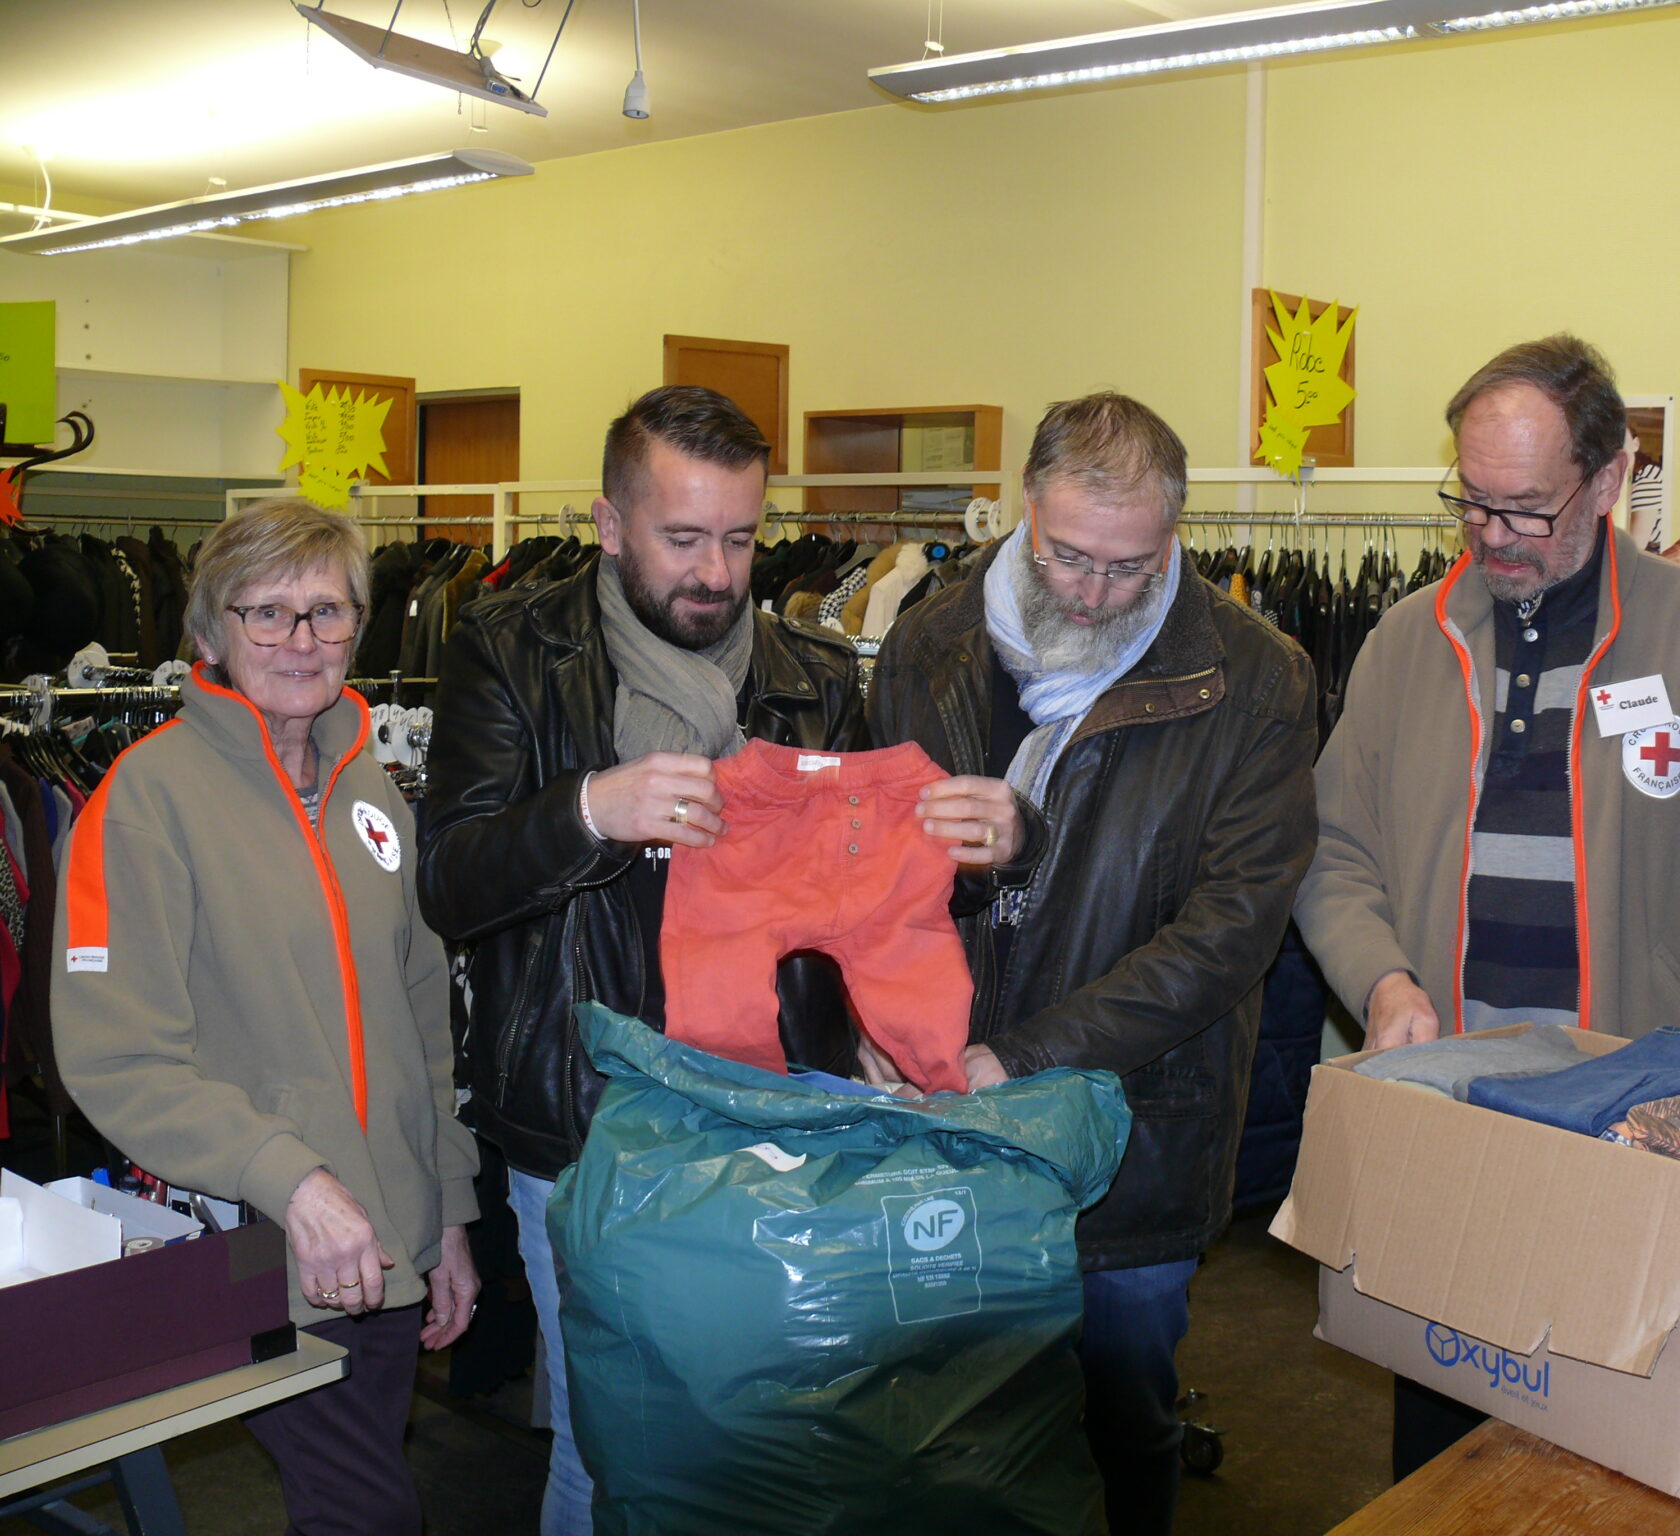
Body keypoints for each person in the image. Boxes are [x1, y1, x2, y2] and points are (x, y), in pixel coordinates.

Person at [415, 384, 1021, 1534]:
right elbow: (448, 881)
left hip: (769, 1125)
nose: (714, 572)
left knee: (765, 1440)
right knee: (610, 1450)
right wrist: (589, 810)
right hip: (583, 1125)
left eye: (738, 540)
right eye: (681, 537)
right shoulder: (508, 651)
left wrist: (994, 853)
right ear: (606, 524)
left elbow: (870, 903)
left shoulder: (816, 676)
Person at [1293, 334, 1680, 1477]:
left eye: (1525, 509)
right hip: (1454, 1122)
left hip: (1641, 1137)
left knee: (1617, 1460)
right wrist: (1381, 983)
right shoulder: (1400, 642)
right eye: (1469, 503)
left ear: (1612, 475)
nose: (1490, 538)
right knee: (1441, 1456)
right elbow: (1331, 851)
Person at [866, 391, 1319, 1536]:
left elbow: (1232, 927)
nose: (1092, 591)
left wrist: (1021, 1056)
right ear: (1025, 509)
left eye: (1130, 567)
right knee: (955, 1418)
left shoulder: (1253, 674)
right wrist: (883, 1019)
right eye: (1069, 557)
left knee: (1124, 1417)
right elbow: (877, 865)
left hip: (1136, 1121)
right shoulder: (932, 640)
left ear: (1173, 533)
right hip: (940, 1103)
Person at [52, 498, 480, 1536]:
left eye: (328, 612)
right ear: (208, 634)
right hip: (256, 1244)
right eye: (268, 613)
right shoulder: (146, 800)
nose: (303, 641)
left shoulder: (371, 788)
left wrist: (451, 1213)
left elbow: (423, 1013)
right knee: (368, 1514)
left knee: (351, 1499)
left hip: (383, 1241)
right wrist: (295, 1181)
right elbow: (119, 1060)